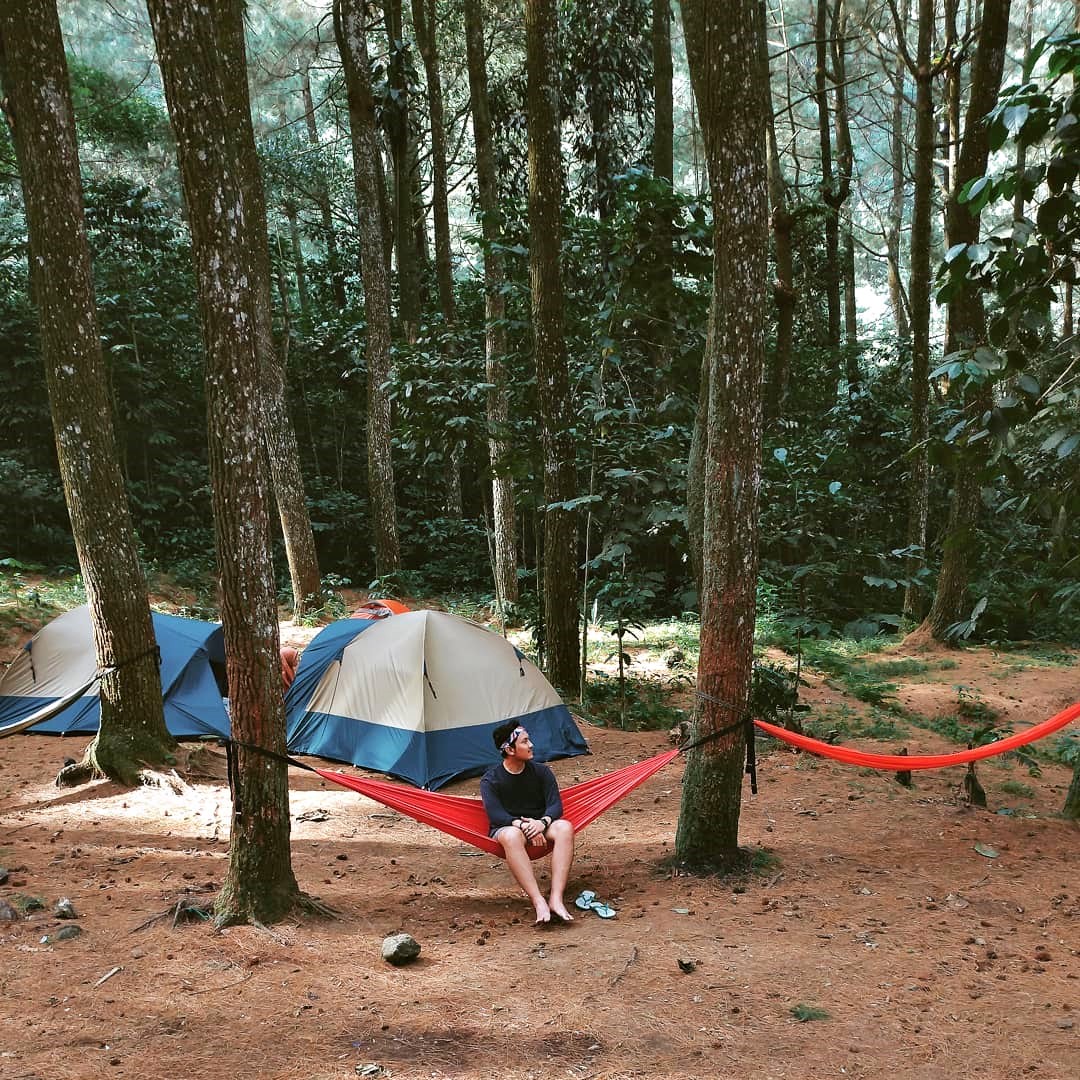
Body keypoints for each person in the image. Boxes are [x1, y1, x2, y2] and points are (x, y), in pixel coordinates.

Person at [480, 720, 576, 926]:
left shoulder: (542, 772)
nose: (531, 745)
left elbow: (555, 806)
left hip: (540, 824)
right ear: (509, 749)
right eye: (524, 741)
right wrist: (523, 826)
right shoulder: (491, 780)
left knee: (565, 827)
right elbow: (496, 815)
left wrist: (541, 823)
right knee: (511, 835)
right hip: (509, 828)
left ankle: (556, 899)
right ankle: (538, 901)